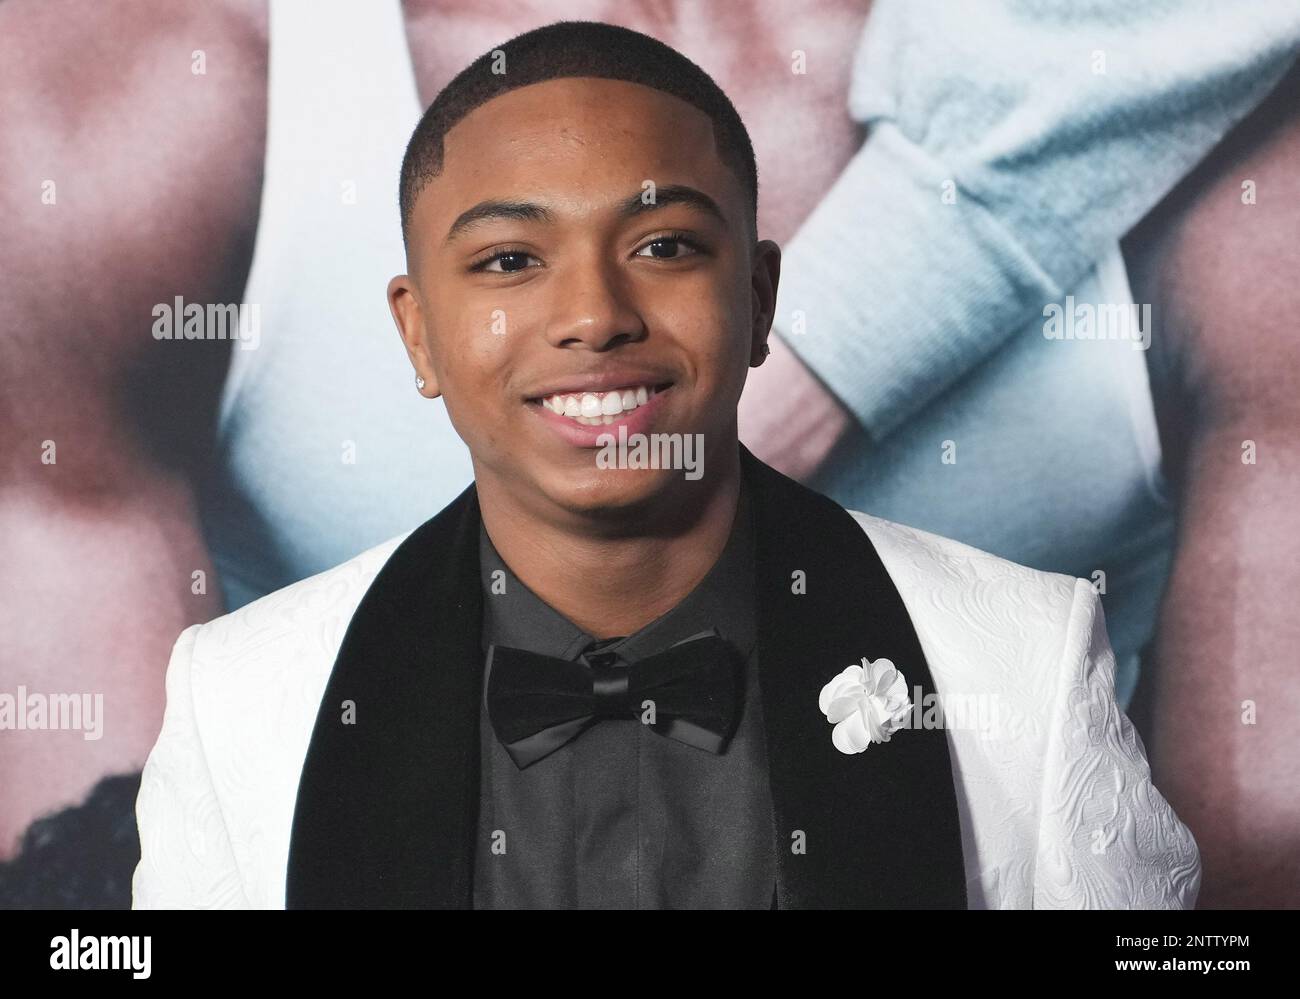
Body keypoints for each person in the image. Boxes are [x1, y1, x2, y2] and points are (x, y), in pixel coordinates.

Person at [132, 22, 1198, 909]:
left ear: (761, 302)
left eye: (665, 246)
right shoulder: (238, 700)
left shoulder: (1027, 660)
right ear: (419, 336)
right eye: (510, 260)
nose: (594, 316)